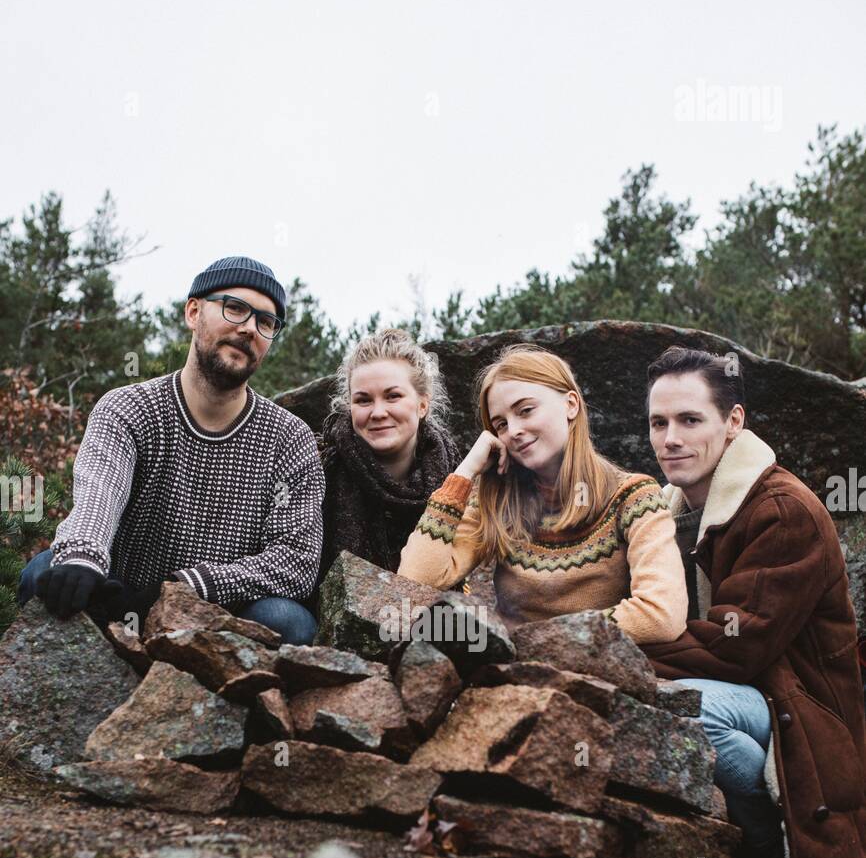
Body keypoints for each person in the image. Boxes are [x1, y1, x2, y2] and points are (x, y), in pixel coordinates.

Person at [641, 345, 866, 858]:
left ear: (733, 422)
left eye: (691, 420)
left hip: (802, 708)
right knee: (676, 711)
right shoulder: (667, 512)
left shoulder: (783, 511)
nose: (670, 438)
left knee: (689, 708)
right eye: (658, 422)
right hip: (754, 700)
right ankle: (738, 844)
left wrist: (617, 653)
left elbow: (731, 646)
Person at [19, 255, 325, 644]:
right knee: (45, 573)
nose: (249, 328)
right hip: (116, 593)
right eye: (235, 308)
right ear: (193, 312)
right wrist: (83, 557)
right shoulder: (128, 408)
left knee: (288, 620)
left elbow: (295, 559)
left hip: (217, 614)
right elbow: (99, 494)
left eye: (266, 322)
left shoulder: (289, 438)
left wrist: (188, 587)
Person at [398, 344, 687, 643]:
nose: (514, 430)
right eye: (501, 424)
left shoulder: (634, 497)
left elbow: (662, 615)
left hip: (602, 676)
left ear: (570, 404)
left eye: (526, 410)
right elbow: (414, 583)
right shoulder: (496, 500)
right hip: (512, 676)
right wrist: (465, 473)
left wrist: (533, 637)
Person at [317, 328, 462, 587]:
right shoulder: (322, 471)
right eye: (363, 400)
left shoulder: (456, 475)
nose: (378, 412)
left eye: (393, 396)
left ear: (422, 405)